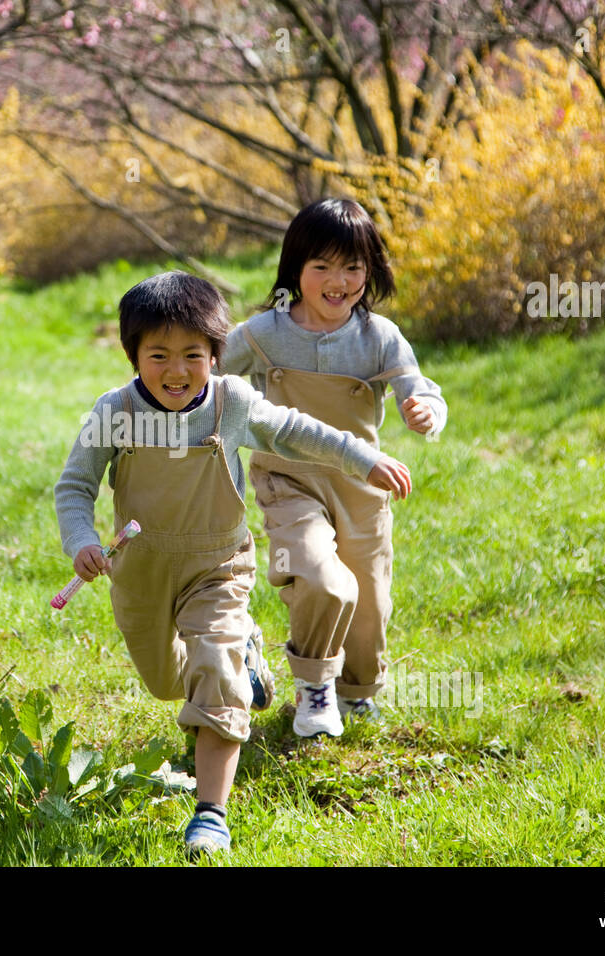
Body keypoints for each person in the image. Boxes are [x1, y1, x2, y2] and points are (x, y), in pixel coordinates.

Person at [54, 270, 412, 858]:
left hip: (218, 563)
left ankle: (210, 813)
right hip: (140, 571)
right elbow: (75, 486)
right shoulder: (115, 411)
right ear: (133, 355)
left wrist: (362, 458)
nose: (176, 371)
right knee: (169, 681)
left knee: (213, 676)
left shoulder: (231, 402)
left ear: (217, 355)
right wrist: (80, 542)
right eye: (158, 355)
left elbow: (297, 431)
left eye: (193, 354)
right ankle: (246, 652)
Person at [222, 197, 447, 738]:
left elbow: (419, 388)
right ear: (295, 271)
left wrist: (425, 412)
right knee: (321, 578)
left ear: (371, 271)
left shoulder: (379, 337)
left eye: (352, 267)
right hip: (288, 481)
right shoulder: (264, 334)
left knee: (369, 604)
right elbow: (204, 374)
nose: (337, 281)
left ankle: (357, 694)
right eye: (320, 266)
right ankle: (315, 688)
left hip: (361, 489)